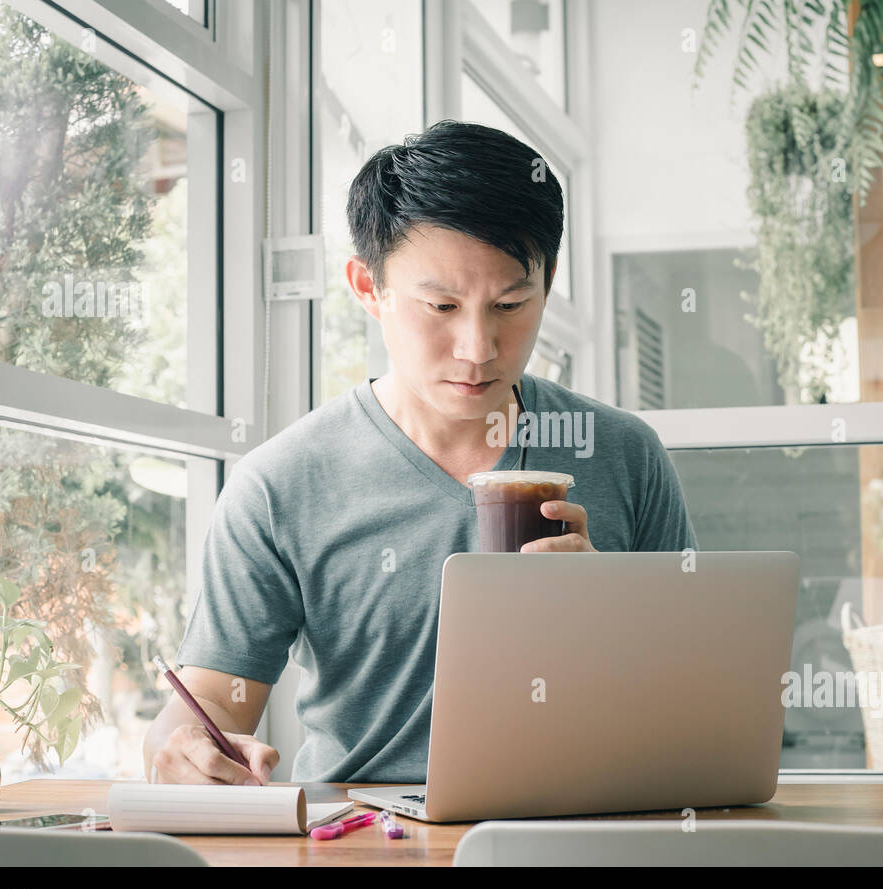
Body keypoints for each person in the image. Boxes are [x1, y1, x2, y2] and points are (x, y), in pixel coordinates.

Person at [143, 120, 697, 786]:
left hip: (587, 829)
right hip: (369, 843)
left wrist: (612, 613)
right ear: (367, 288)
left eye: (512, 303)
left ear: (548, 282)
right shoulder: (281, 485)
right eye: (440, 305)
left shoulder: (624, 456)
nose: (478, 346)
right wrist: (182, 747)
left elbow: (698, 692)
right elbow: (211, 697)